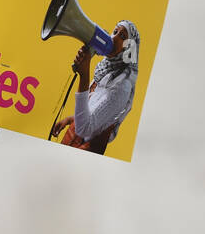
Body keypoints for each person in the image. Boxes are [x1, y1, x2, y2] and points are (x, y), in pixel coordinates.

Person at [53, 20, 140, 155]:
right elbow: (96, 115)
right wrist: (71, 120)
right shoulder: (105, 70)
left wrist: (84, 74)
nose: (114, 38)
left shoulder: (122, 86)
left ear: (129, 49)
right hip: (73, 139)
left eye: (122, 37)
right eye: (115, 32)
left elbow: (85, 129)